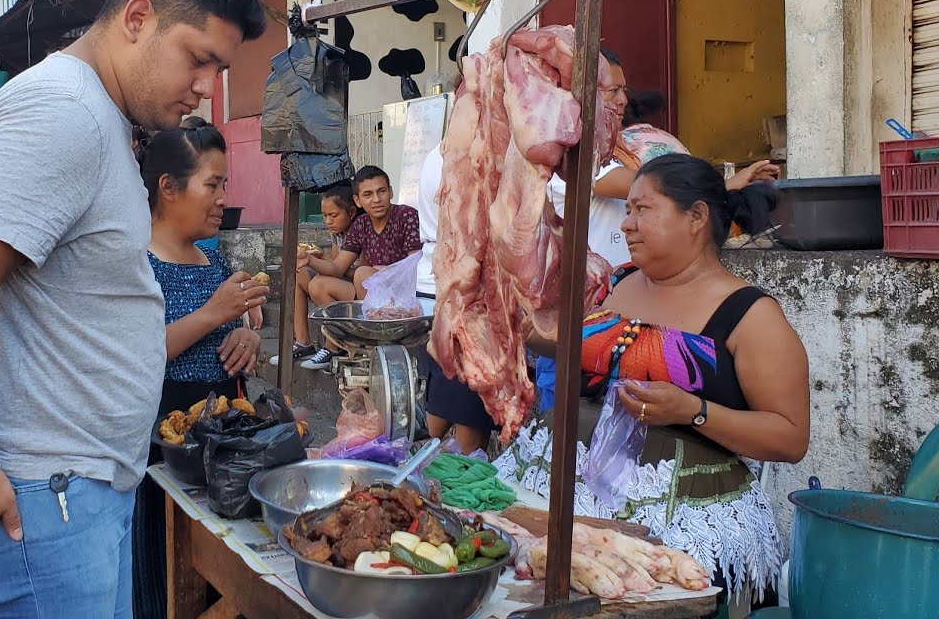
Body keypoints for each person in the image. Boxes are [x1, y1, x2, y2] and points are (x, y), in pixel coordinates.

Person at [0, 0, 266, 618]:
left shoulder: (91, 112)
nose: (205, 88)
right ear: (136, 18)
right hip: (37, 492)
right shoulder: (63, 113)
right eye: (198, 59)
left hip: (67, 487)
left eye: (219, 69)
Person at [498, 154, 809, 609]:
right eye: (627, 210)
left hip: (678, 523)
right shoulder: (615, 282)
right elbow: (575, 344)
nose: (627, 224)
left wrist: (694, 411)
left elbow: (790, 436)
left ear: (696, 217)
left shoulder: (751, 316)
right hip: (564, 499)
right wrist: (512, 325)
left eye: (642, 210)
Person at [535, 48, 779, 411]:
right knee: (577, 415)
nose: (622, 100)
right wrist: (721, 186)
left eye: (623, 90)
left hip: (643, 305)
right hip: (596, 308)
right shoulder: (571, 155)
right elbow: (640, 186)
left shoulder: (634, 146)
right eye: (610, 91)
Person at [132, 118, 268, 618]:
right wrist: (215, 314)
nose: (221, 197)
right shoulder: (135, 263)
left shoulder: (209, 258)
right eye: (211, 184)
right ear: (168, 188)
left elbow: (237, 322)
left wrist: (245, 333)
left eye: (224, 184)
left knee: (221, 576)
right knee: (168, 576)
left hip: (224, 444)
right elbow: (137, 353)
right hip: (163, 448)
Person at [300, 165, 422, 370]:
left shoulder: (406, 216)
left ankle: (370, 344)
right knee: (318, 284)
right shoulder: (362, 224)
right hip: (371, 292)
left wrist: (387, 271)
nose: (376, 199)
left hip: (403, 295)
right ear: (358, 200)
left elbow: (416, 262)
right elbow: (338, 268)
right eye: (368, 194)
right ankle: (351, 344)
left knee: (363, 273)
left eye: (381, 191)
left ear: (390, 192)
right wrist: (308, 260)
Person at [416, 143, 495, 452]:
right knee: (468, 413)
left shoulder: (438, 151)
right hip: (463, 291)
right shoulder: (472, 152)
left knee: (441, 399)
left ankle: (411, 470)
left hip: (439, 284)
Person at [268, 183, 360, 366]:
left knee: (318, 284)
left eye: (333, 215)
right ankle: (303, 343)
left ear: (351, 212)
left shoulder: (361, 230)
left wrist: (317, 262)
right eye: (325, 216)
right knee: (298, 273)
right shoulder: (338, 234)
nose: (328, 221)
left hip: (359, 290)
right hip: (342, 284)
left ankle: (334, 346)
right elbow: (335, 265)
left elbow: (354, 272)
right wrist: (320, 257)